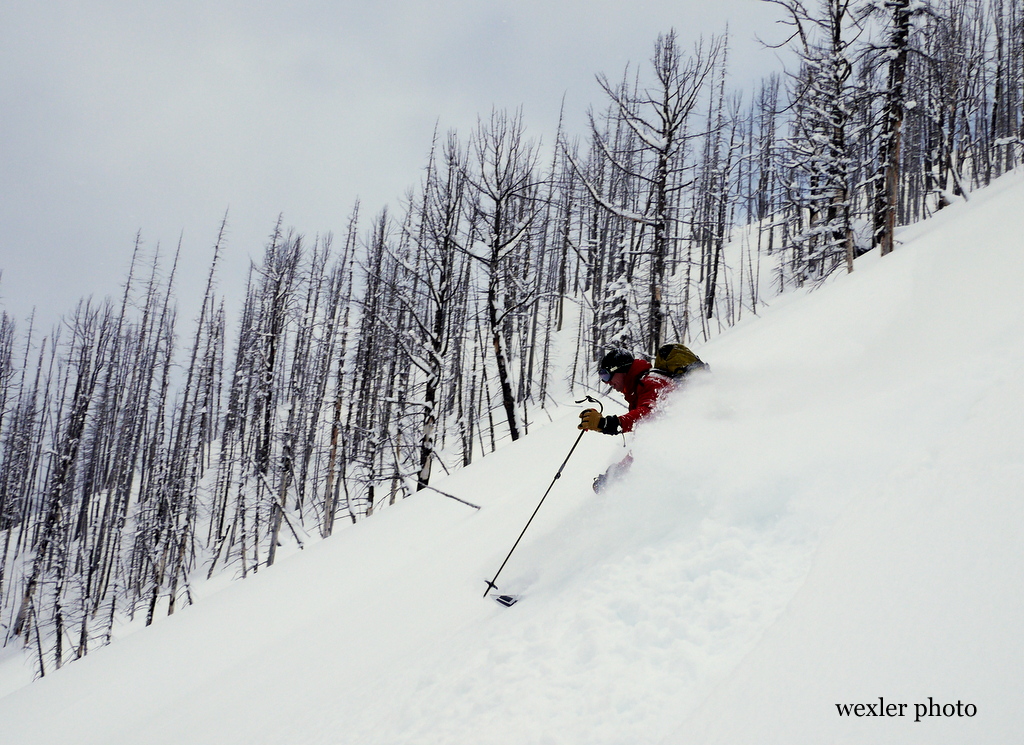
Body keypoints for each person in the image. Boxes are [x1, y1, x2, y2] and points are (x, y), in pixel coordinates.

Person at [578, 349, 674, 491]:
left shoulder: (652, 382)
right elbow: (645, 447)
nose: (607, 382)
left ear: (621, 370)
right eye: (603, 377)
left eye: (607, 375)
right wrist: (616, 474)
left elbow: (648, 414)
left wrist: (607, 424)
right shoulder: (638, 391)